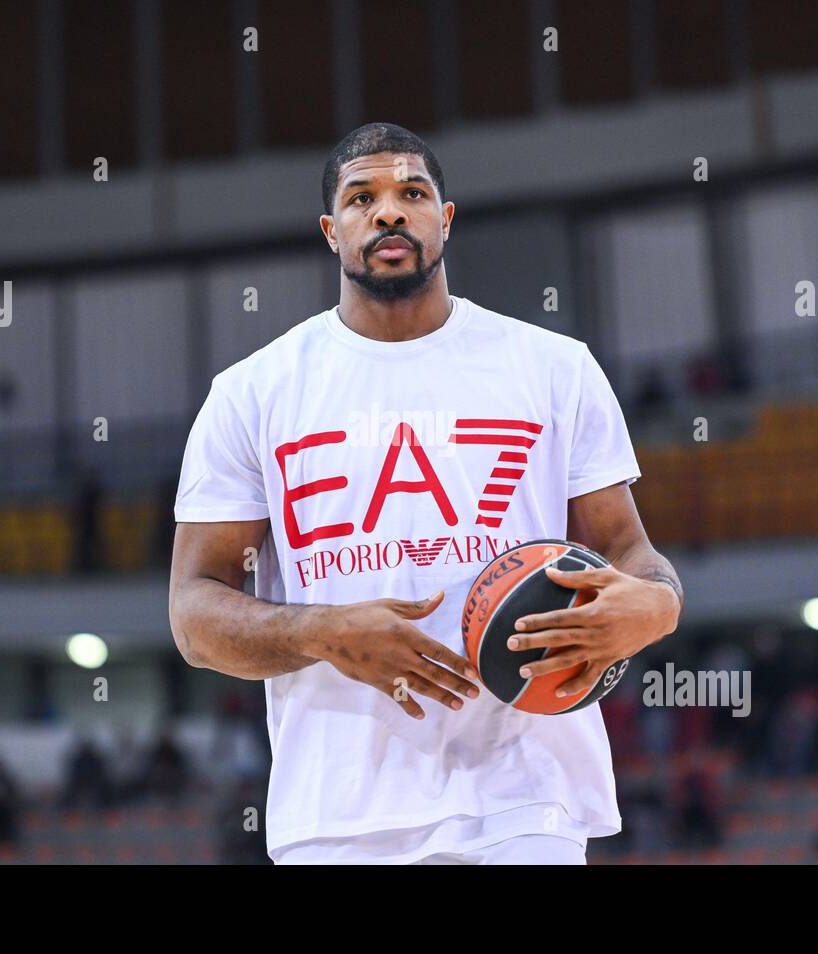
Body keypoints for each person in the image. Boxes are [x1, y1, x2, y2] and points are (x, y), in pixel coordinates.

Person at [169, 123, 683, 865]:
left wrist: (658, 604)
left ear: (444, 219)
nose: (388, 212)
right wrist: (320, 631)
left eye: (412, 193)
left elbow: (627, 548)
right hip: (337, 813)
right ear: (331, 230)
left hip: (526, 793)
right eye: (361, 198)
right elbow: (193, 617)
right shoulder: (252, 393)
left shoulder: (553, 368)